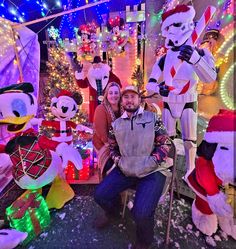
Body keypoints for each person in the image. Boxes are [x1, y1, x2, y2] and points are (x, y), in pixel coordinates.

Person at [94, 85, 174, 249]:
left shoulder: (152, 119)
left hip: (152, 171)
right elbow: (113, 147)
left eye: (133, 96)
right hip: (125, 170)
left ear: (139, 99)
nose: (129, 100)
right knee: (100, 195)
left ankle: (144, 241)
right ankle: (114, 212)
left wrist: (153, 161)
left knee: (142, 213)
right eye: (126, 97)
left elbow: (165, 143)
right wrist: (119, 161)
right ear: (122, 101)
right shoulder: (116, 125)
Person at [146, 5, 217, 176]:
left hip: (189, 100)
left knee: (190, 141)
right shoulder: (165, 57)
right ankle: (166, 168)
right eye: (169, 27)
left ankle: (190, 171)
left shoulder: (202, 53)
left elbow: (210, 78)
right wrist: (158, 87)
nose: (173, 31)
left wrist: (195, 59)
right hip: (169, 101)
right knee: (166, 139)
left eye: (176, 25)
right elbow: (150, 83)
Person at [74, 55, 121, 122]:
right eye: (95, 65)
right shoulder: (90, 77)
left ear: (102, 65)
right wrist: (79, 73)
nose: (97, 67)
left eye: (99, 65)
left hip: (107, 101)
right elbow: (82, 85)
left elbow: (118, 84)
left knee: (107, 119)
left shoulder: (109, 75)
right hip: (94, 102)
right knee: (96, 120)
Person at [93, 82, 122, 177]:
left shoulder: (123, 108)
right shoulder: (101, 109)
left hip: (119, 142)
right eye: (111, 93)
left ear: (120, 94)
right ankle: (106, 180)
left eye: (116, 93)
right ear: (106, 95)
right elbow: (101, 131)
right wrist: (111, 145)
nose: (114, 95)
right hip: (103, 143)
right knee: (110, 164)